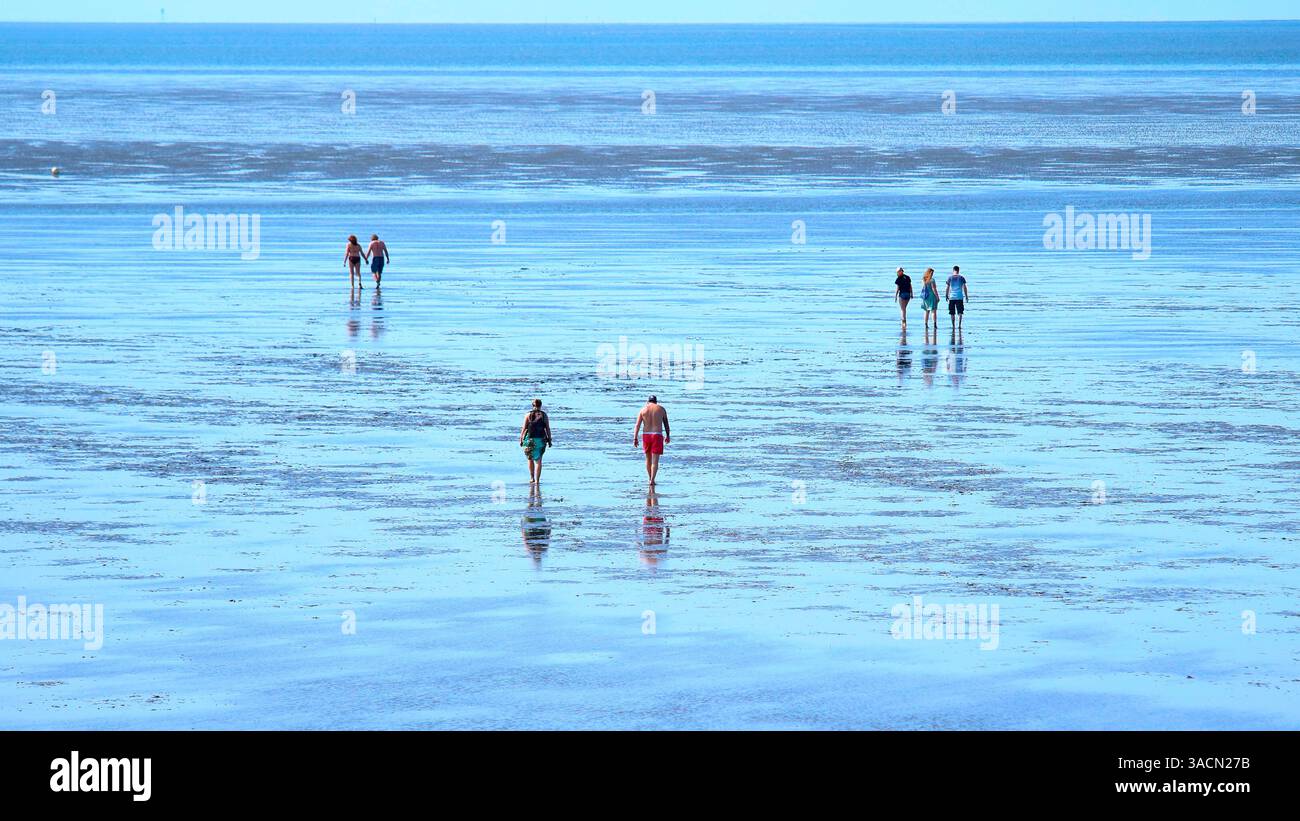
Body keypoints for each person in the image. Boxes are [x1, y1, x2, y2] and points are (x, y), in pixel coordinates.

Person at [633, 395, 670, 486]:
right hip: (657, 435)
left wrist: (635, 438)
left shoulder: (643, 410)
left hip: (646, 435)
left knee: (648, 459)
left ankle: (649, 478)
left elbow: (637, 425)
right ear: (656, 402)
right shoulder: (661, 409)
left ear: (648, 401)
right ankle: (652, 480)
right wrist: (668, 435)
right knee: (655, 461)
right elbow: (666, 424)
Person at [519, 399, 552, 485]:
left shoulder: (527, 415)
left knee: (530, 459)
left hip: (529, 440)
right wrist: (550, 439)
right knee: (538, 460)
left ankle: (532, 478)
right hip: (541, 439)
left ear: (532, 405)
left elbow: (524, 428)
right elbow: (547, 428)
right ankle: (537, 480)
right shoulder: (544, 415)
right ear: (541, 405)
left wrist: (521, 438)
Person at [945, 265, 970, 330]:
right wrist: (966, 296)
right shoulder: (961, 278)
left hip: (952, 297)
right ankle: (959, 325)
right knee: (960, 312)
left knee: (952, 313)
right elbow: (965, 288)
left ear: (953, 270)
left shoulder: (950, 278)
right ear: (958, 270)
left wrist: (946, 295)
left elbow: (947, 288)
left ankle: (953, 326)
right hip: (959, 297)